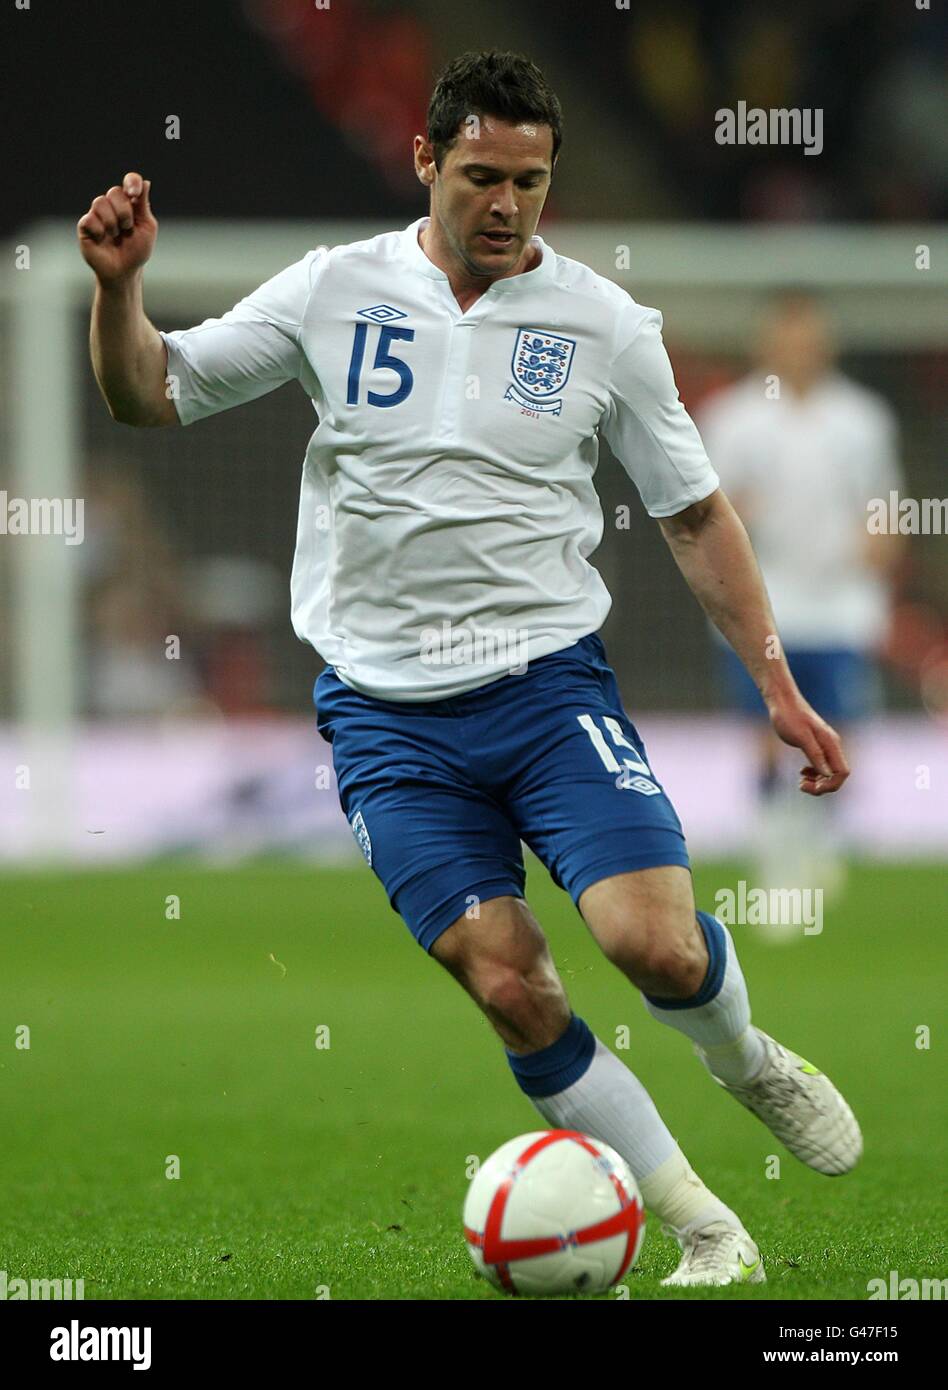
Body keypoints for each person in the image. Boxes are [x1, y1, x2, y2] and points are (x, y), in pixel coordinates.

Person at [77, 49, 857, 1289]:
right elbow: (149, 396)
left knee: (653, 946)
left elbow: (695, 513)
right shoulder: (337, 289)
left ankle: (746, 1056)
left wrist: (774, 680)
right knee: (510, 978)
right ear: (426, 160)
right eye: (483, 176)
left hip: (547, 691)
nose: (507, 206)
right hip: (385, 720)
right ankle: (703, 1222)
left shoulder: (605, 322)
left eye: (533, 183)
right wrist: (120, 295)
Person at [699, 294, 904, 894]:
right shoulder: (733, 416)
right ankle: (771, 837)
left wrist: (881, 540)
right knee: (764, 726)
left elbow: (885, 503)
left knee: (840, 725)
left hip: (842, 604)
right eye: (787, 337)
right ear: (765, 345)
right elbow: (705, 510)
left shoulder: (862, 417)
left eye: (808, 337)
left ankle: (825, 842)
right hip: (765, 603)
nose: (798, 349)